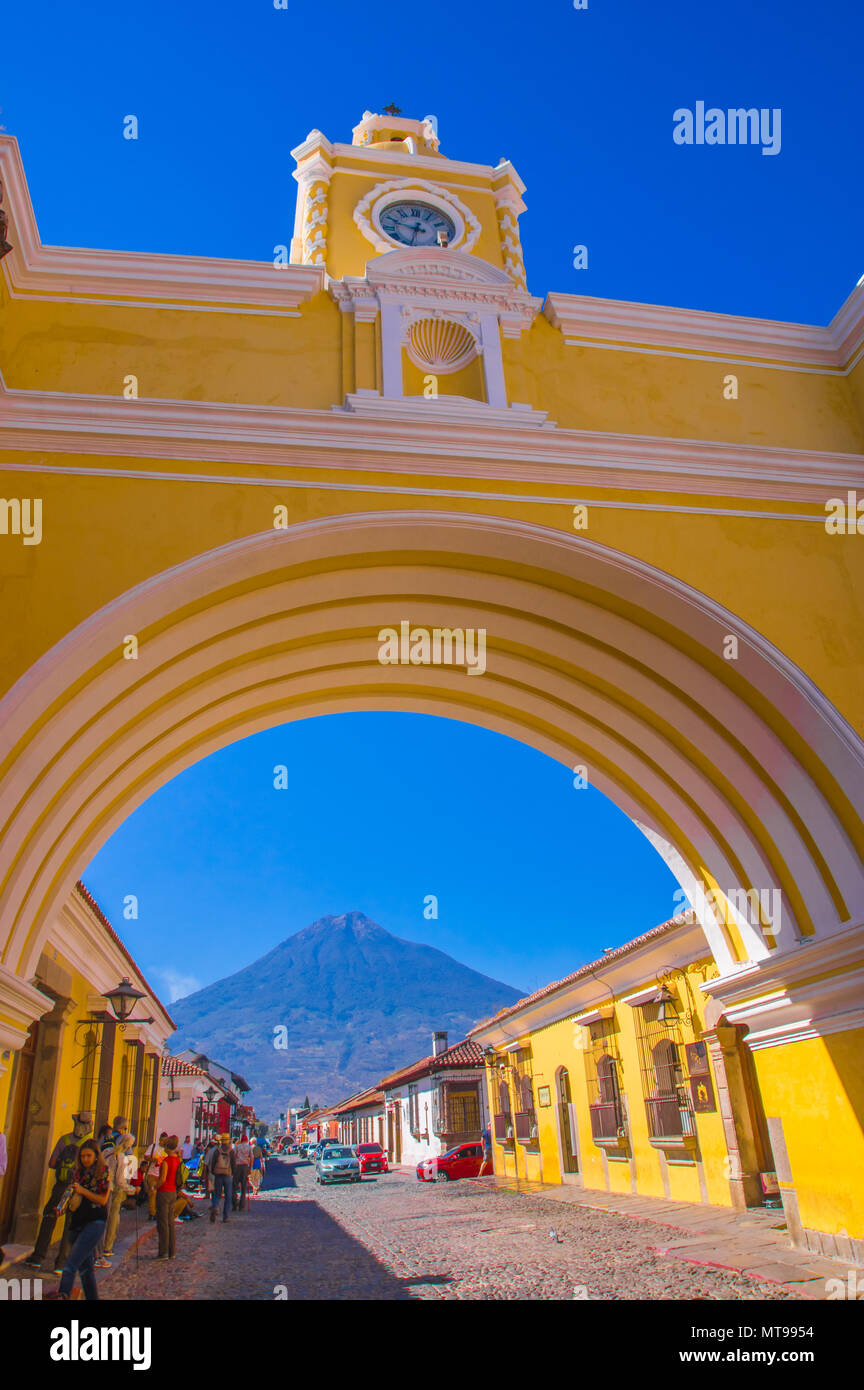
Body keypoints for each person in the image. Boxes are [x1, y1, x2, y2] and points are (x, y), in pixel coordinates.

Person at [24, 1110, 94, 1272]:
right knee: (70, 1224)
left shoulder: (64, 1140)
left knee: (49, 1217)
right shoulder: (90, 1144)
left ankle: (38, 1257)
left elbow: (52, 1163)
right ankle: (61, 1263)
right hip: (77, 1188)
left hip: (61, 1186)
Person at [44, 1139, 111, 1301]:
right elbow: (70, 1194)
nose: (85, 1159)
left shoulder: (103, 1172)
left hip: (95, 1222)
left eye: (88, 1155)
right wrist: (62, 1208)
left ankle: (63, 1296)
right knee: (86, 1271)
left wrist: (83, 1191)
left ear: (96, 1156)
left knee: (69, 1266)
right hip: (77, 1222)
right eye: (82, 1156)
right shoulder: (77, 1172)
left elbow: (102, 1200)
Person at [102, 1133, 137, 1259]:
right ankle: (107, 1247)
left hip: (102, 1188)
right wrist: (132, 1190)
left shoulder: (106, 1151)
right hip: (114, 1190)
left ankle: (98, 1246)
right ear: (127, 1145)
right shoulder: (121, 1157)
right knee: (112, 1219)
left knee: (101, 1217)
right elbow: (120, 1181)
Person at [155, 1135, 182, 1260]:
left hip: (164, 1192)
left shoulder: (166, 1161)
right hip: (173, 1192)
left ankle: (163, 1252)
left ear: (167, 1146)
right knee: (170, 1222)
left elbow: (163, 1179)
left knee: (163, 1222)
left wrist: (154, 1187)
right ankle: (172, 1251)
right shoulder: (177, 1160)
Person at [208, 1132, 235, 1223]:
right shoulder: (231, 1151)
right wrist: (233, 1174)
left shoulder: (217, 1151)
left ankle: (215, 1206)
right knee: (228, 1196)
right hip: (227, 1175)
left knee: (217, 1194)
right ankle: (226, 1216)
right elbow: (233, 1165)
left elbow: (213, 1163)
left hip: (218, 1174)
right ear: (228, 1141)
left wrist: (213, 1172)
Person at [143, 1132, 167, 1220]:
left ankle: (159, 1212)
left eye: (165, 1141)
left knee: (161, 1195)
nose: (163, 1143)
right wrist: (154, 1160)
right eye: (162, 1140)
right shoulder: (153, 1147)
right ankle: (152, 1213)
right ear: (159, 1139)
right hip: (152, 1174)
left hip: (162, 1175)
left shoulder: (167, 1149)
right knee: (153, 1193)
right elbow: (145, 1156)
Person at [233, 1133, 252, 1211]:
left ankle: (234, 1203)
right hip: (245, 1167)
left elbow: (234, 1156)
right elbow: (252, 1157)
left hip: (237, 1167)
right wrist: (250, 1168)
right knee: (244, 1187)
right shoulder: (249, 1147)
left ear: (241, 1140)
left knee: (234, 1186)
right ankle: (242, 1205)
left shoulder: (237, 1147)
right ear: (247, 1140)